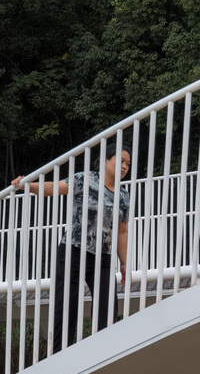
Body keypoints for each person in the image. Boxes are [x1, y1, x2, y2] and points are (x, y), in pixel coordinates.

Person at [12, 142, 131, 351]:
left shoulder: (123, 195)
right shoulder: (85, 179)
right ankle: (60, 356)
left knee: (107, 308)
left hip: (102, 257)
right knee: (66, 307)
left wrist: (124, 264)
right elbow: (55, 188)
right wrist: (27, 185)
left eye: (127, 164)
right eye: (120, 161)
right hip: (73, 251)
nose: (124, 167)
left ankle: (103, 352)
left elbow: (121, 231)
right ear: (105, 160)